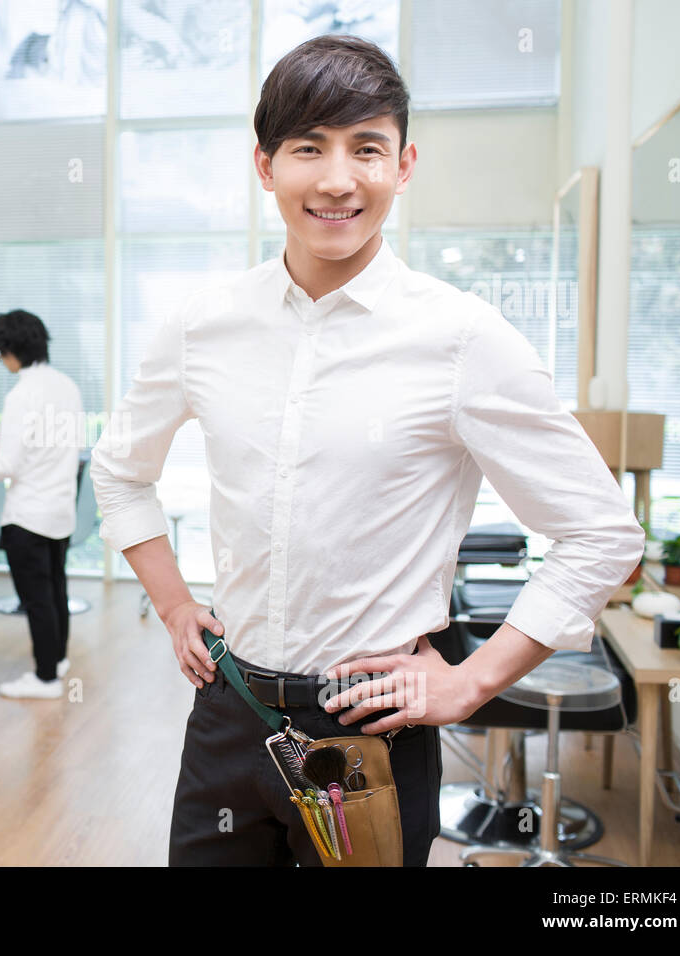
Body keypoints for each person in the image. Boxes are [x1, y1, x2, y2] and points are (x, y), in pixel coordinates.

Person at [90, 35, 644, 867]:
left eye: (366, 148)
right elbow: (119, 469)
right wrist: (173, 604)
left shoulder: (459, 337)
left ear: (404, 163)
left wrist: (472, 680)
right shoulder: (202, 326)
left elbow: (603, 532)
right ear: (265, 164)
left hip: (368, 728)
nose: (338, 179)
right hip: (229, 708)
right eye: (309, 148)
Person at [0, 309, 84, 699]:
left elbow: (6, 466)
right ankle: (57, 660)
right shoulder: (68, 386)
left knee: (36, 599)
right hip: (61, 509)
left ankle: (45, 678)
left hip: (28, 515)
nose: (1, 361)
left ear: (9, 350)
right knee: (55, 591)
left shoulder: (22, 394)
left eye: (0, 353)